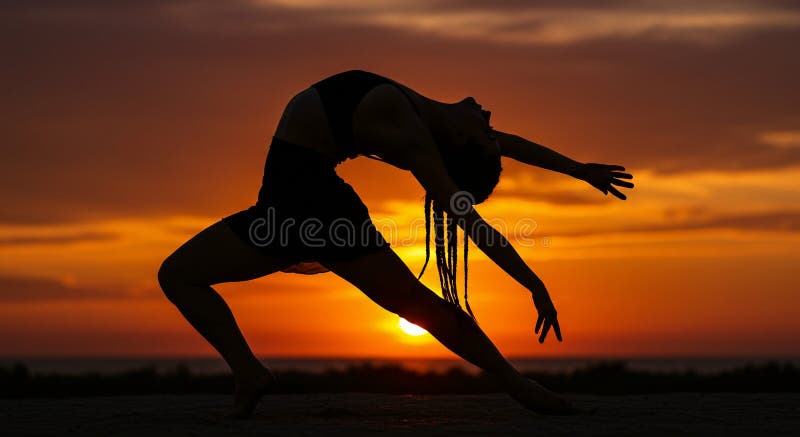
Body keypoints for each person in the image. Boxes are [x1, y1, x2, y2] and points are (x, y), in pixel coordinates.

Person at [157, 69, 634, 418]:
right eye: (490, 132)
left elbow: (471, 220)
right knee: (179, 275)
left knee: (413, 303)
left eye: (485, 133)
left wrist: (532, 282)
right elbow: (511, 144)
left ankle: (517, 385)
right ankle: (248, 372)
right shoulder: (433, 122)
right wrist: (580, 169)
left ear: (462, 144)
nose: (490, 119)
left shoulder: (415, 137)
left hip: (310, 203)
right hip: (286, 203)